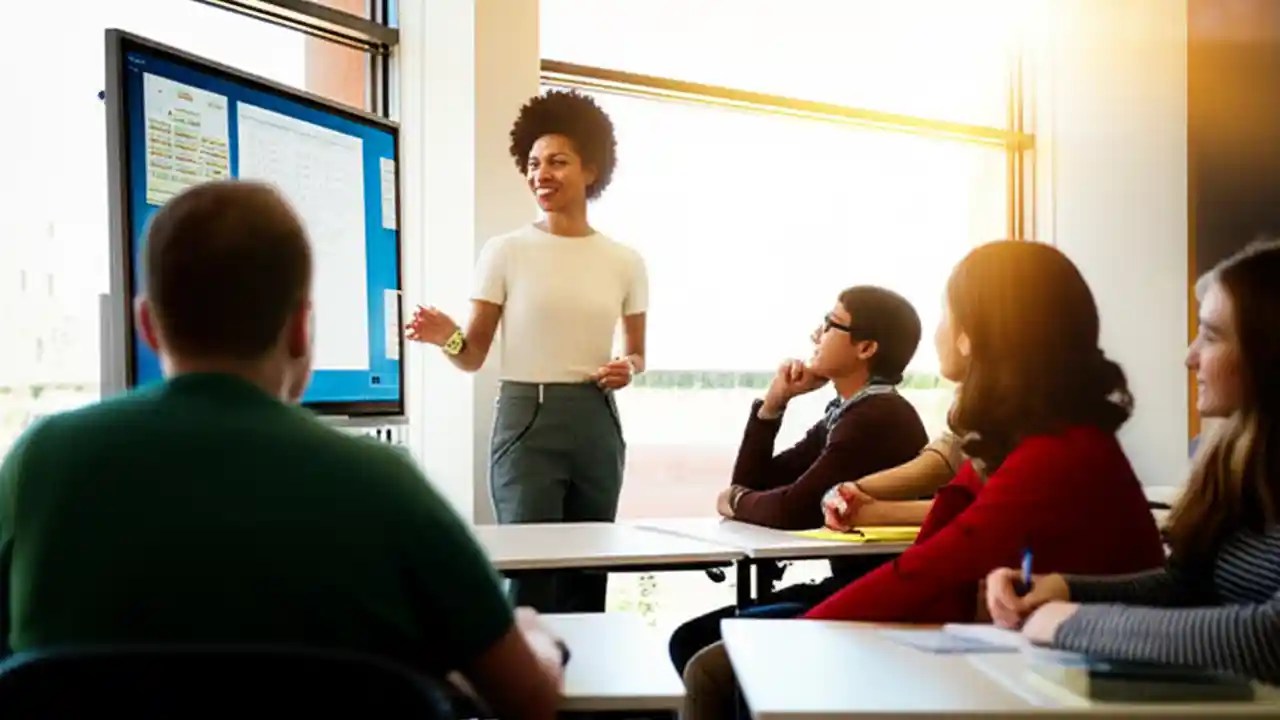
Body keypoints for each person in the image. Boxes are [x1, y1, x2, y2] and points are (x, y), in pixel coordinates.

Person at [0, 181, 563, 720]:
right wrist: (536, 636)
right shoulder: (383, 483)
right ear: (300, 327)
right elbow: (527, 701)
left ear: (148, 325)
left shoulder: (37, 462)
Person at [681, 240, 1168, 720]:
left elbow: (932, 565)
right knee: (721, 662)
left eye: (946, 314)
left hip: (1064, 677)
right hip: (1024, 656)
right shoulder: (1031, 442)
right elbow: (950, 540)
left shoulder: (1057, 453)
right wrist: (772, 409)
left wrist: (805, 634)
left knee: (719, 668)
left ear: (974, 335)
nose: (938, 332)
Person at [986, 238, 1280, 685]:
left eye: (1213, 335)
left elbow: (1269, 640)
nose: (1190, 356)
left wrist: (1070, 622)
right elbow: (1189, 588)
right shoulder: (1239, 457)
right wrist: (1066, 588)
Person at [406, 90, 646, 615]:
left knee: (590, 571)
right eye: (533, 164)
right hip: (526, 419)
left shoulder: (625, 260)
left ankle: (589, 689)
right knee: (532, 576)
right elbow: (470, 355)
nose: (542, 174)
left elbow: (637, 355)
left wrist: (625, 368)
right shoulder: (505, 251)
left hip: (597, 420)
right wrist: (445, 334)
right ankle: (529, 690)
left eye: (558, 162)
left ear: (591, 170)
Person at [669, 285, 929, 674]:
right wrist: (775, 402)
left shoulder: (876, 419)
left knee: (695, 643)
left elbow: (792, 509)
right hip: (856, 592)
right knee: (695, 640)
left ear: (866, 348)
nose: (816, 334)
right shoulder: (849, 413)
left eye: (830, 324)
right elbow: (757, 484)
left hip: (882, 603)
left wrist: (735, 500)